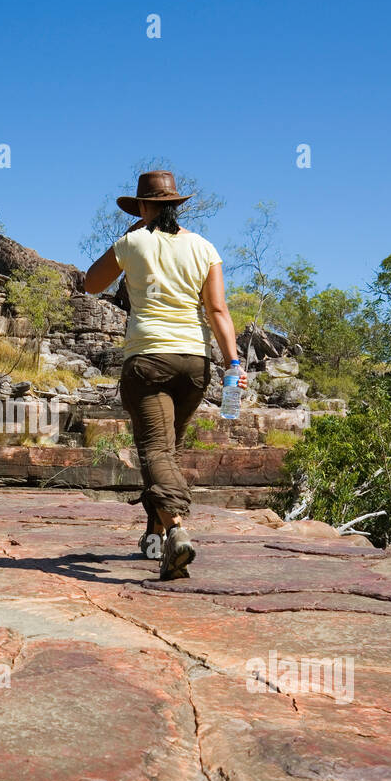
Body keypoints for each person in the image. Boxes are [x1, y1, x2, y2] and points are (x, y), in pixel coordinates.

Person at [84, 170, 247, 580]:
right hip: (195, 363)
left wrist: (131, 237)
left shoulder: (132, 242)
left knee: (155, 451)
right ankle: (154, 536)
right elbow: (218, 312)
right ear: (176, 206)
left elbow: (90, 283)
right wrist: (233, 364)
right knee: (167, 451)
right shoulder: (204, 248)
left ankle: (176, 530)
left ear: (142, 207)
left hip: (148, 360)